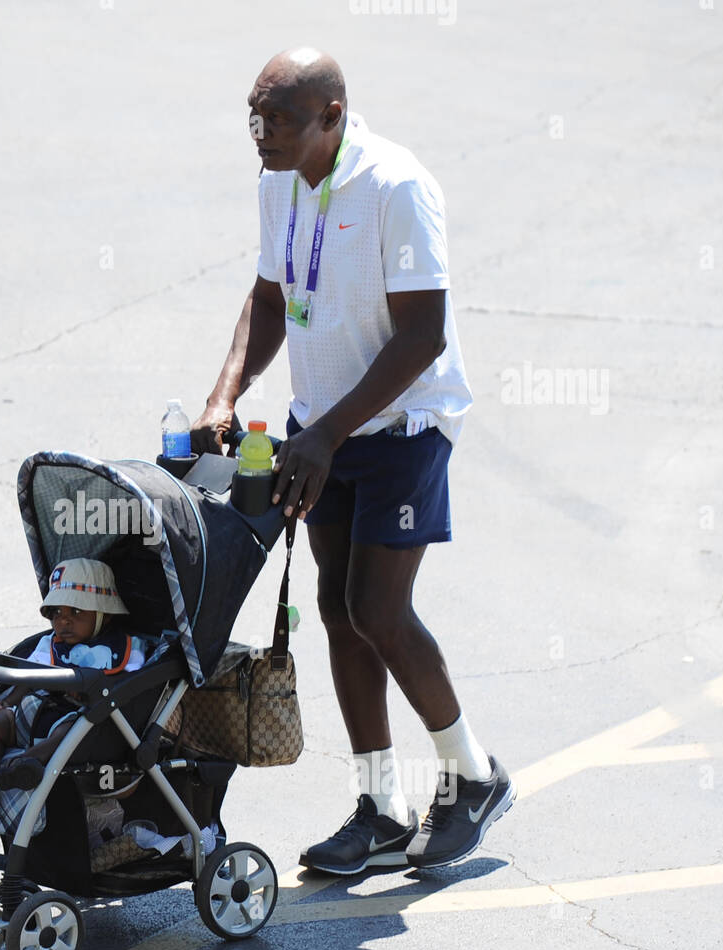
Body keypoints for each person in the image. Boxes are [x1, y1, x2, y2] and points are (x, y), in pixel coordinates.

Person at [192, 47, 514, 872]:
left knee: (378, 608)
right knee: (336, 610)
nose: (261, 134)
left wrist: (327, 434)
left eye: (282, 120)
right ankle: (378, 806)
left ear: (333, 116)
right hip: (322, 430)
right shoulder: (278, 179)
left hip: (402, 426)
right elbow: (269, 298)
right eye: (254, 118)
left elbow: (422, 337)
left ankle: (473, 777)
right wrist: (225, 394)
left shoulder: (397, 189)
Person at [0, 558, 145, 811]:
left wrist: (98, 688)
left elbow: (134, 683)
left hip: (79, 720)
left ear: (105, 614)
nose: (64, 621)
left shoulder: (123, 650)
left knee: (67, 730)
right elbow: (28, 675)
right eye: (57, 613)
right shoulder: (50, 645)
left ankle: (25, 763)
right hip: (33, 712)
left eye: (76, 612)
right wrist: (8, 702)